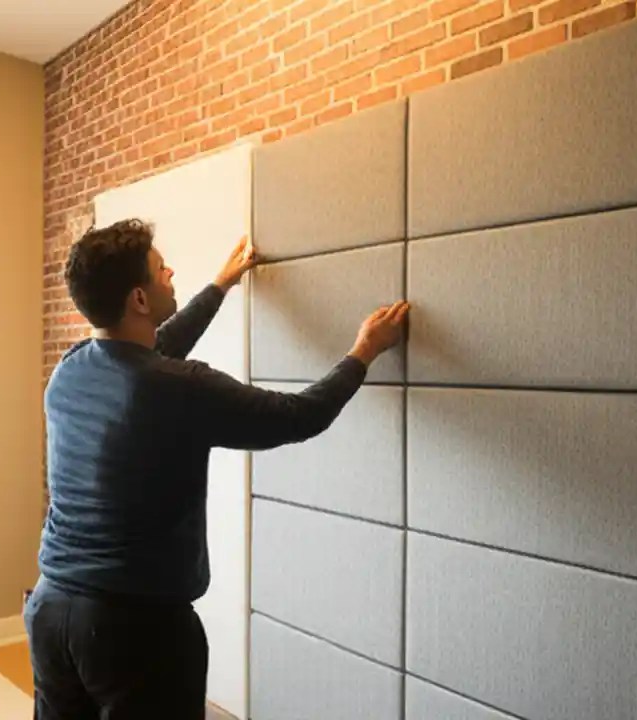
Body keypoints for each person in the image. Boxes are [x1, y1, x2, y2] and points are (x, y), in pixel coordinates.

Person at [26, 218, 410, 719]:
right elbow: (299, 416)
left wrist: (220, 285)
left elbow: (154, 347)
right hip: (135, 631)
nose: (171, 274)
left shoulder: (70, 369)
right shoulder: (179, 388)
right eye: (162, 271)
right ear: (139, 300)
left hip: (51, 613)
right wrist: (364, 350)